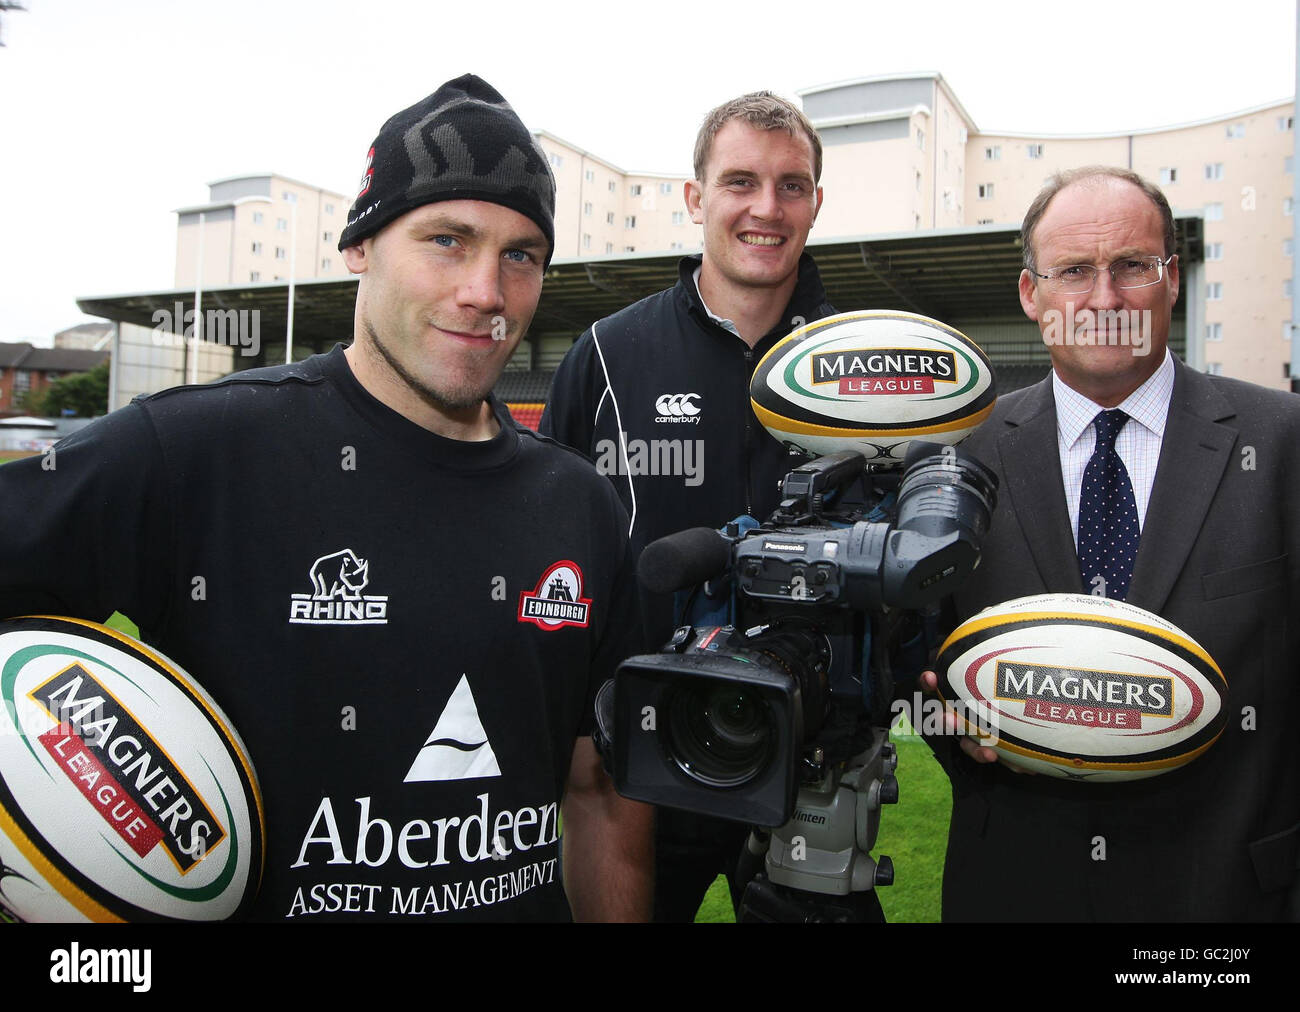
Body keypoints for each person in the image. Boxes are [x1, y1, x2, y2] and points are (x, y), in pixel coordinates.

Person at [0, 74, 652, 922]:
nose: (486, 294)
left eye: (519, 254)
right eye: (447, 239)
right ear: (360, 245)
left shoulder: (582, 505)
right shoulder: (196, 448)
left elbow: (597, 792)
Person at [922, 166, 1300, 920]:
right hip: (1018, 891)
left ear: (1172, 282)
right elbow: (911, 657)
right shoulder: (956, 454)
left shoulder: (1282, 444)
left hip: (1223, 899)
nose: (1104, 299)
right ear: (1032, 295)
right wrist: (946, 721)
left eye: (1132, 266)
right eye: (1073, 271)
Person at [541, 92, 874, 922]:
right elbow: (546, 540)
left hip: (816, 759)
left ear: (817, 204)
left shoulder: (870, 361)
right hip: (646, 757)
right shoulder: (608, 353)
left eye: (792, 185)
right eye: (740, 182)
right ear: (696, 199)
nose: (767, 208)